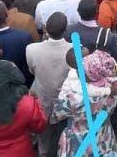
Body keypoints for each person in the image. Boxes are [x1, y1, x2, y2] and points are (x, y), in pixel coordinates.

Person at [53, 49, 117, 156]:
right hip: (104, 137)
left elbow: (56, 114)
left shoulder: (74, 100)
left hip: (79, 142)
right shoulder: (116, 88)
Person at [26, 14, 76, 157]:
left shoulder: (31, 49)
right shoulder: (75, 49)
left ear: (46, 29)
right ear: (65, 30)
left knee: (43, 138)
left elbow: (32, 71)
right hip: (66, 102)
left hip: (42, 100)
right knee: (65, 137)